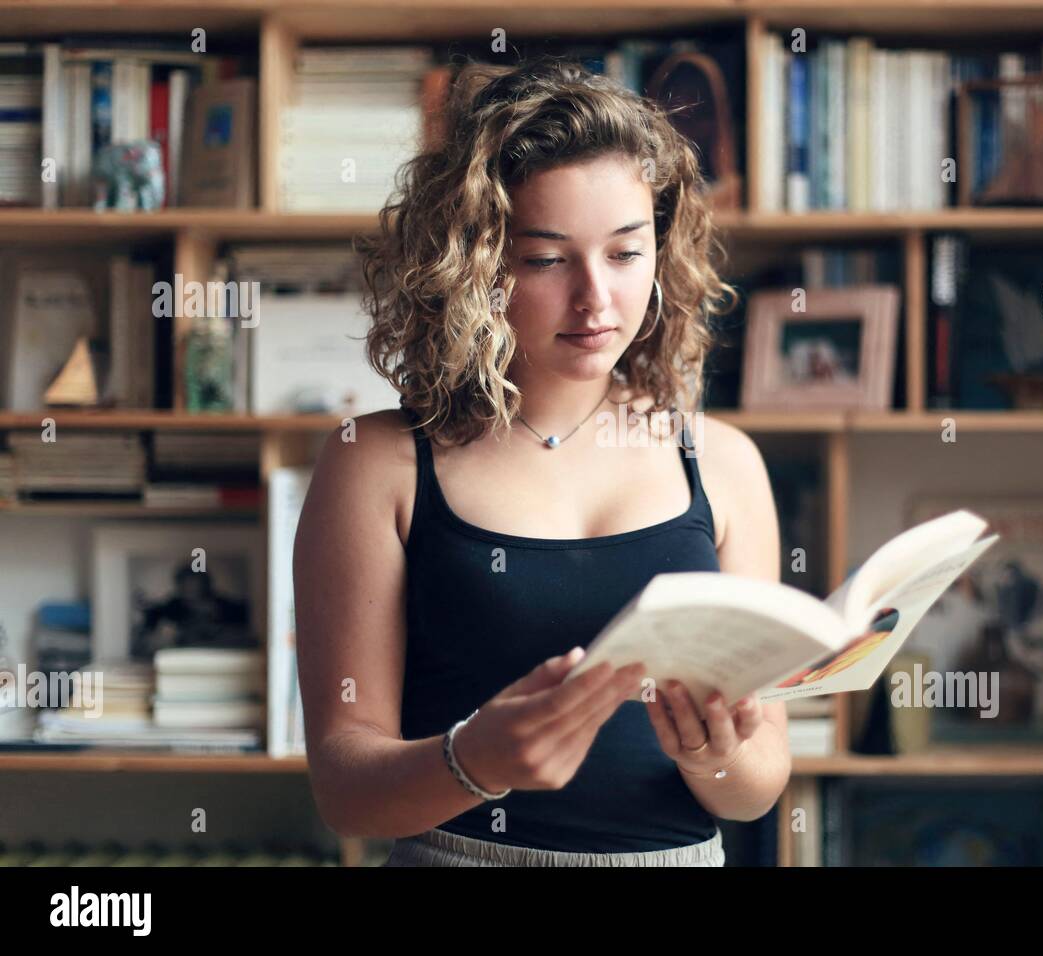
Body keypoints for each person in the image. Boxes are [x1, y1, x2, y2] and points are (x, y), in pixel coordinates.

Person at [293, 56, 791, 867]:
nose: (596, 300)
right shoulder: (377, 463)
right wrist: (474, 761)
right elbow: (345, 791)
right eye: (546, 259)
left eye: (626, 254)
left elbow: (760, 781)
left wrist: (713, 754)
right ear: (476, 266)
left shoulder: (724, 462)